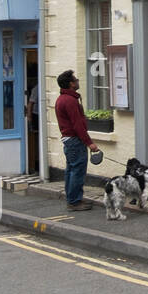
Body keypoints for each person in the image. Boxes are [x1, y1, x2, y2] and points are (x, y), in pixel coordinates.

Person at [54, 69, 100, 211]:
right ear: (71, 84)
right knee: (77, 171)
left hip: (68, 140)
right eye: (76, 80)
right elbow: (77, 125)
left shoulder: (62, 99)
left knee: (71, 170)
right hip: (74, 140)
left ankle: (72, 199)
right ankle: (74, 202)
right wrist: (89, 143)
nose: (78, 82)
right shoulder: (69, 101)